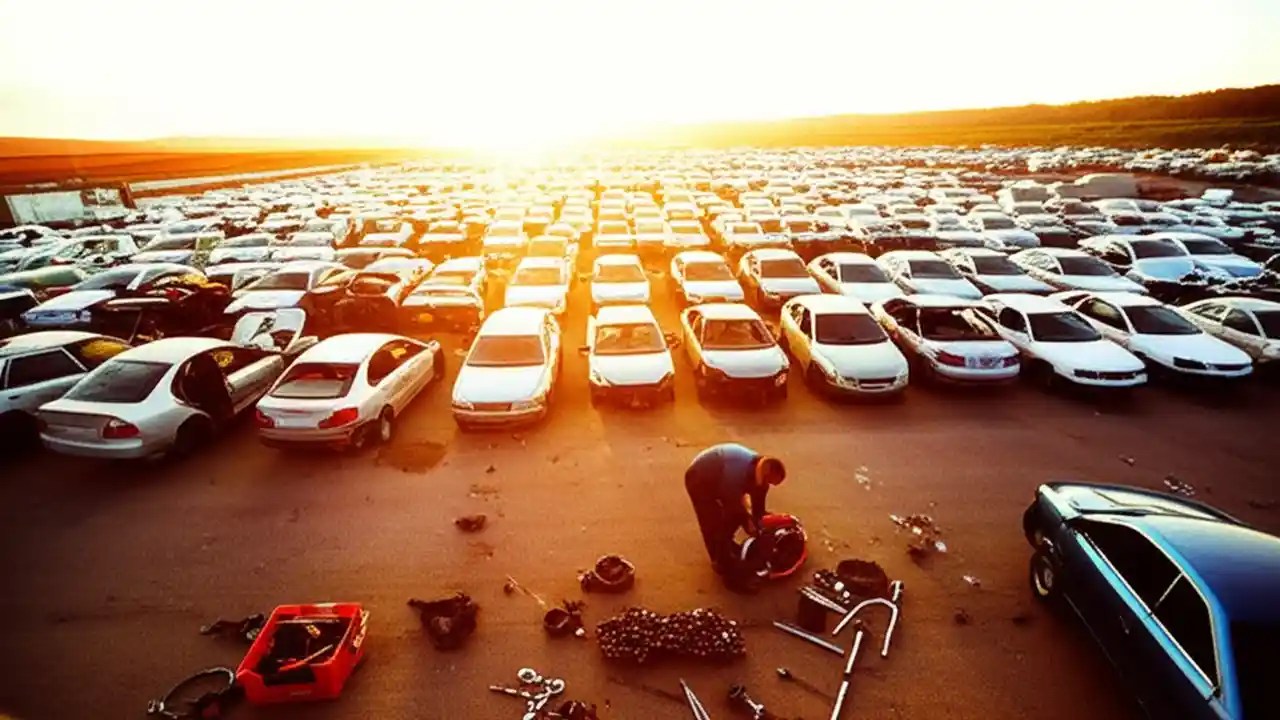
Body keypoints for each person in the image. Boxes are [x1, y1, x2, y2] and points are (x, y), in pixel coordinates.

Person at [684, 443, 787, 588]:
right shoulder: (737, 469)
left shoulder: (762, 478)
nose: (768, 485)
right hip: (699, 477)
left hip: (721, 478)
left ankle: (726, 550)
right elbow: (732, 503)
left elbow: (759, 511)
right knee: (714, 521)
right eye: (770, 480)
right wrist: (747, 522)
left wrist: (763, 526)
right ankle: (721, 562)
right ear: (767, 471)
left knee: (735, 518)